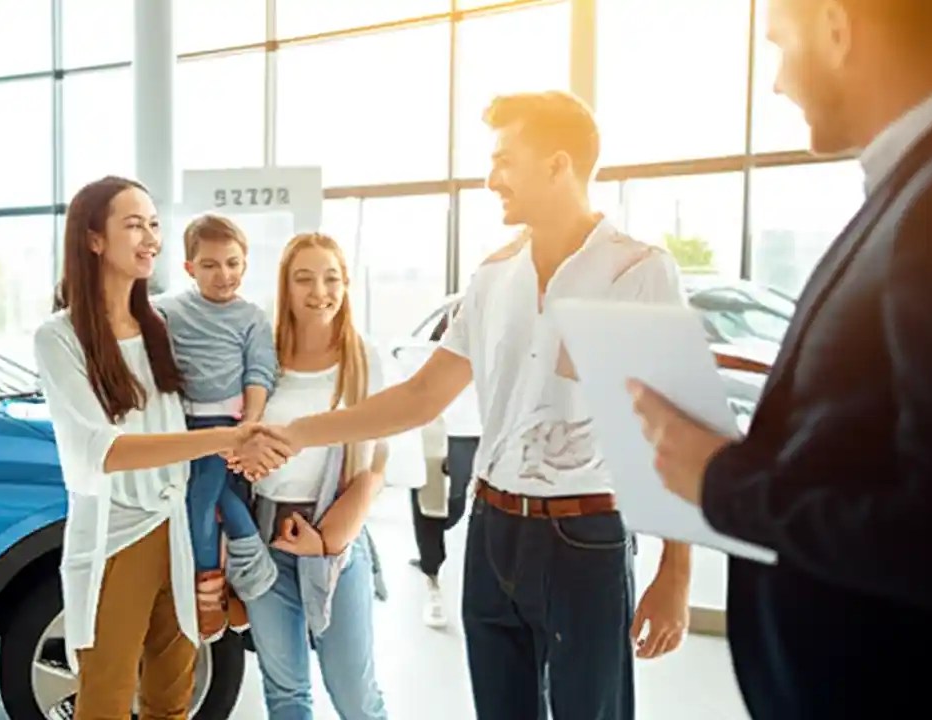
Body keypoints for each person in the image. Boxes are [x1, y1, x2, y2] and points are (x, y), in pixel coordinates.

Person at [234, 91, 692, 720]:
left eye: (506, 159)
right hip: (493, 533)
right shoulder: (493, 276)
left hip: (585, 538)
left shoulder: (637, 271)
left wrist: (677, 571)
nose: (491, 177)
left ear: (558, 165)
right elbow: (421, 396)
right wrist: (294, 432)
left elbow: (674, 427)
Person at [627, 2, 932, 718]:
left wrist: (723, 480)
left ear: (837, 27)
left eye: (778, 45)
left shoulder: (931, 208)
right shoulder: (908, 193)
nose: (774, 84)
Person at [33, 176, 289, 719]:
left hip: (178, 528)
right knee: (104, 698)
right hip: (118, 536)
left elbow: (237, 351)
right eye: (134, 225)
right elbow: (101, 450)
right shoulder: (59, 337)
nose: (150, 237)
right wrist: (224, 437)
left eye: (154, 224)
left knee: (173, 699)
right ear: (94, 239)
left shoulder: (160, 326)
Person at [235, 232, 417, 720]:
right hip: (265, 540)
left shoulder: (365, 359)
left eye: (331, 278)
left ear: (347, 285)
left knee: (356, 697)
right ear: (286, 288)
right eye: (305, 278)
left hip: (335, 538)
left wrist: (330, 538)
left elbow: (380, 462)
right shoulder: (262, 355)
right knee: (286, 694)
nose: (320, 291)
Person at [155, 213, 281, 642]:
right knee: (217, 498)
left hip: (230, 422)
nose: (223, 274)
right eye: (209, 265)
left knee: (204, 497)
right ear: (190, 268)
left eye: (232, 263)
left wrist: (248, 428)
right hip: (182, 425)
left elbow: (260, 372)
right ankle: (249, 581)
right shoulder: (167, 309)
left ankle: (209, 588)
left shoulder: (252, 317)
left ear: (245, 264)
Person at [409, 306, 481, 629]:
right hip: (437, 429)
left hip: (471, 430)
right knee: (429, 500)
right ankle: (432, 576)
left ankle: (434, 563)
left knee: (454, 507)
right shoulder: (454, 316)